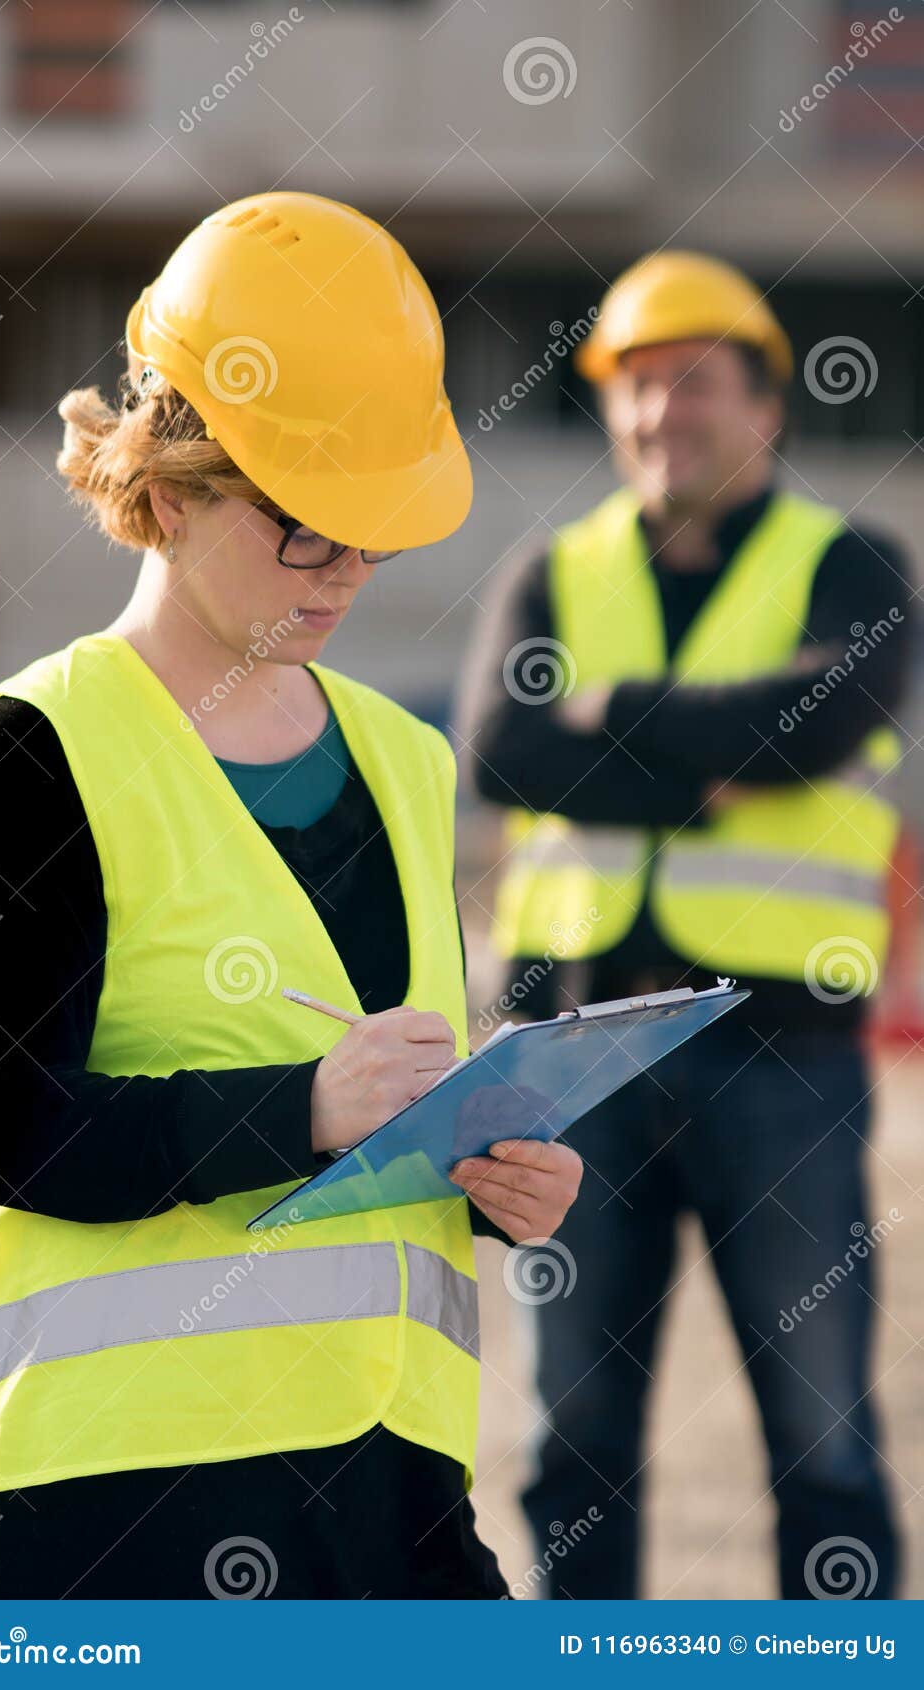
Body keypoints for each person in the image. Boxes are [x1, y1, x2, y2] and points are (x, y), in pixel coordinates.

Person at [0, 191, 583, 1600]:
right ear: (167, 493)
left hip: (390, 1485)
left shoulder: (403, 762)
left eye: (371, 537)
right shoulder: (44, 752)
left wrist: (486, 1177)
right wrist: (300, 1107)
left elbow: (377, 1125)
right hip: (108, 1506)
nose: (345, 574)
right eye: (304, 531)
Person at [458, 250, 911, 1599]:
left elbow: (824, 717)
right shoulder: (553, 570)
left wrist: (607, 719)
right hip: (573, 1054)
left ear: (767, 405)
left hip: (781, 1053)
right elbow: (498, 748)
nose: (664, 415)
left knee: (823, 1430)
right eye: (639, 390)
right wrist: (714, 762)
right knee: (571, 1440)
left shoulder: (854, 565)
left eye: (694, 385)